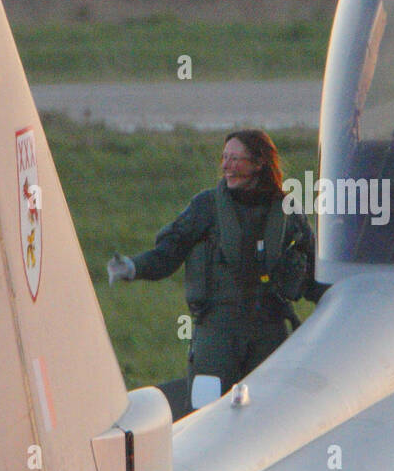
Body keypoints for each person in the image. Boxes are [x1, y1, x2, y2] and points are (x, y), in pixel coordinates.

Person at [109, 129, 319, 418]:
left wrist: (344, 296)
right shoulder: (206, 208)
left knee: (273, 415)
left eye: (236, 159)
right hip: (218, 332)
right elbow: (170, 251)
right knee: (203, 413)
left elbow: (311, 272)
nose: (227, 166)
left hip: (268, 330)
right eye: (225, 158)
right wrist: (134, 267)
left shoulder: (286, 213)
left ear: (258, 163)